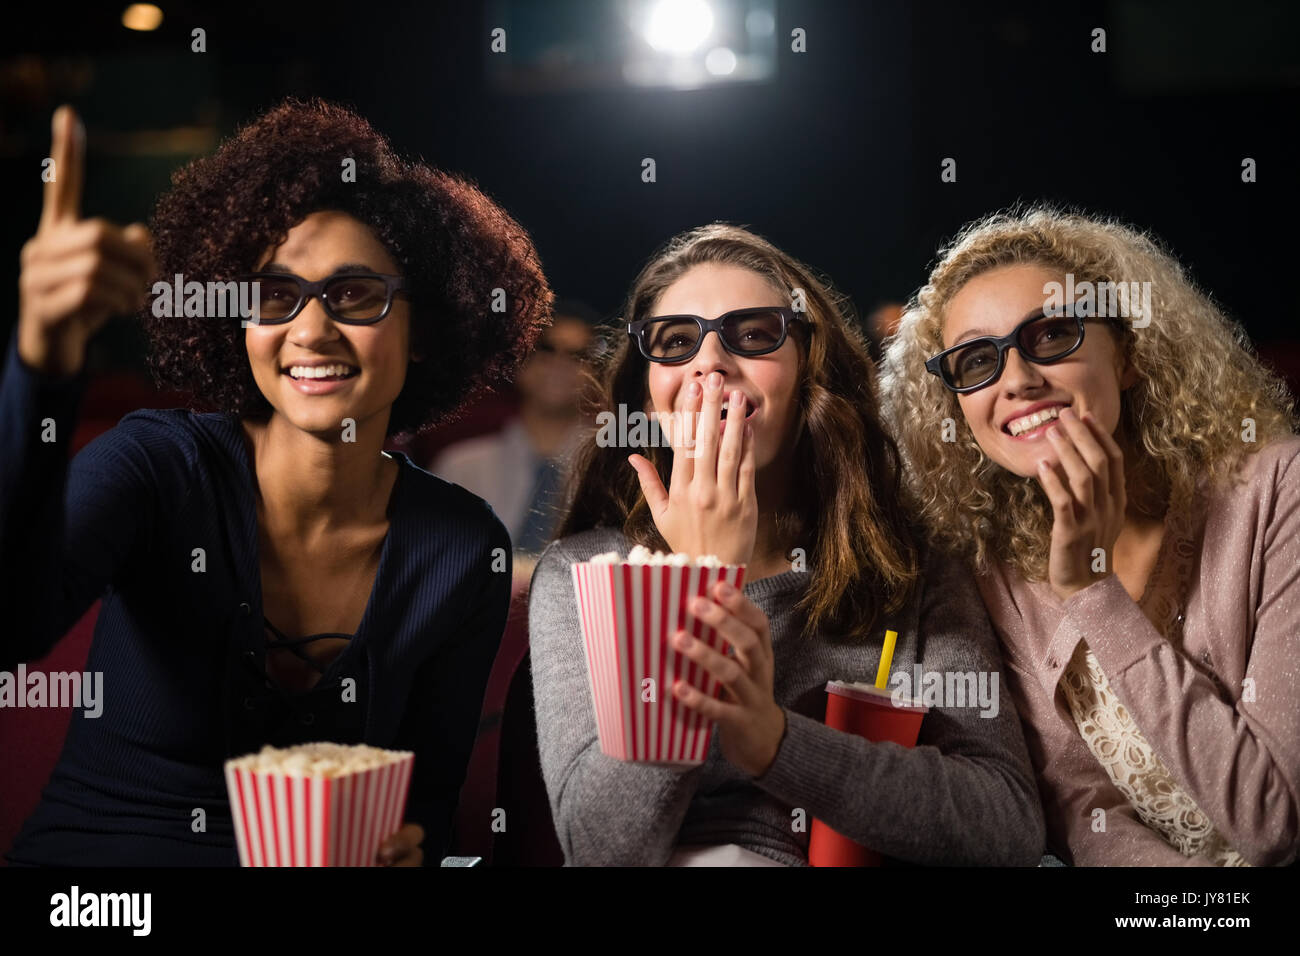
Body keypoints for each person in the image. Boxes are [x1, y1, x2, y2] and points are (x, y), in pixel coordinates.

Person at [2, 100, 551, 865]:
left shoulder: (461, 548)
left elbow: (424, 808)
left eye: (355, 294)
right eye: (273, 296)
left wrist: (403, 851)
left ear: (423, 329)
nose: (311, 330)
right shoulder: (158, 468)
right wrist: (42, 361)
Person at [528, 223, 1045, 866]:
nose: (709, 364)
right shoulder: (582, 573)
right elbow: (601, 847)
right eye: (677, 342)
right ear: (645, 392)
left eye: (752, 335)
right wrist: (699, 577)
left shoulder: (913, 567)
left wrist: (777, 744)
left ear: (810, 374)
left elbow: (1006, 827)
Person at [879, 205, 1300, 866]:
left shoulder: (1279, 489)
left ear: (1127, 352)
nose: (1017, 380)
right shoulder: (985, 566)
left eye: (1051, 335)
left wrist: (1094, 592)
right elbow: (1083, 810)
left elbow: (1272, 821)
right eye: (976, 360)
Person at [431, 299, 601, 587]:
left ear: (596, 374)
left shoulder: (609, 473)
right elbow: (435, 564)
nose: (559, 364)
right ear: (521, 364)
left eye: (578, 355)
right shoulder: (460, 466)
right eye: (546, 348)